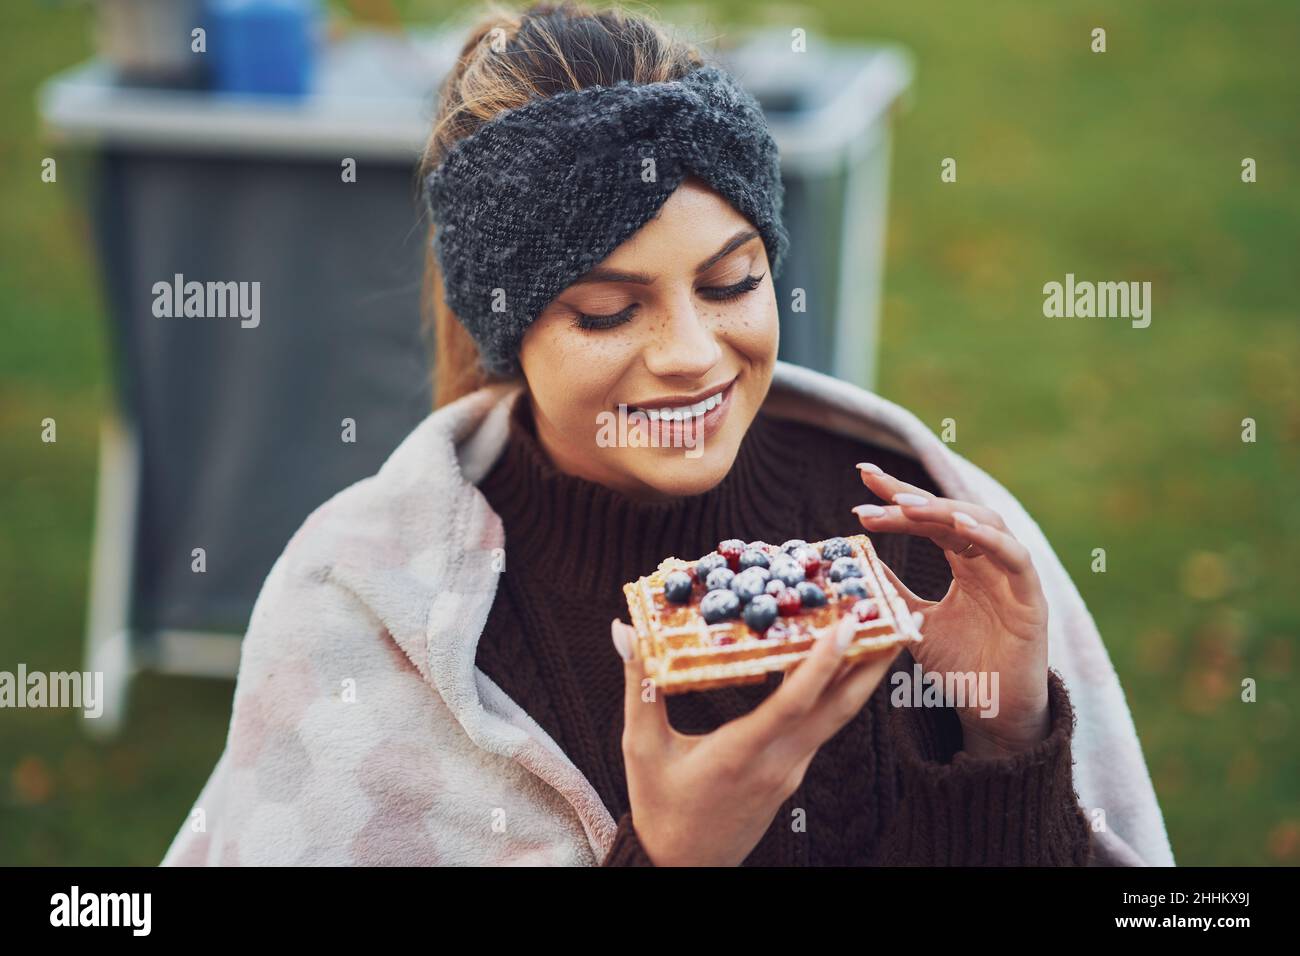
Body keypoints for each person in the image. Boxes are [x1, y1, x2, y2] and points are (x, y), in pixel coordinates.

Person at [161, 0, 1173, 867]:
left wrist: (1005, 730)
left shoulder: (920, 533)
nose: (691, 351)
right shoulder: (375, 609)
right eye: (606, 310)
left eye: (732, 281)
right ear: (508, 331)